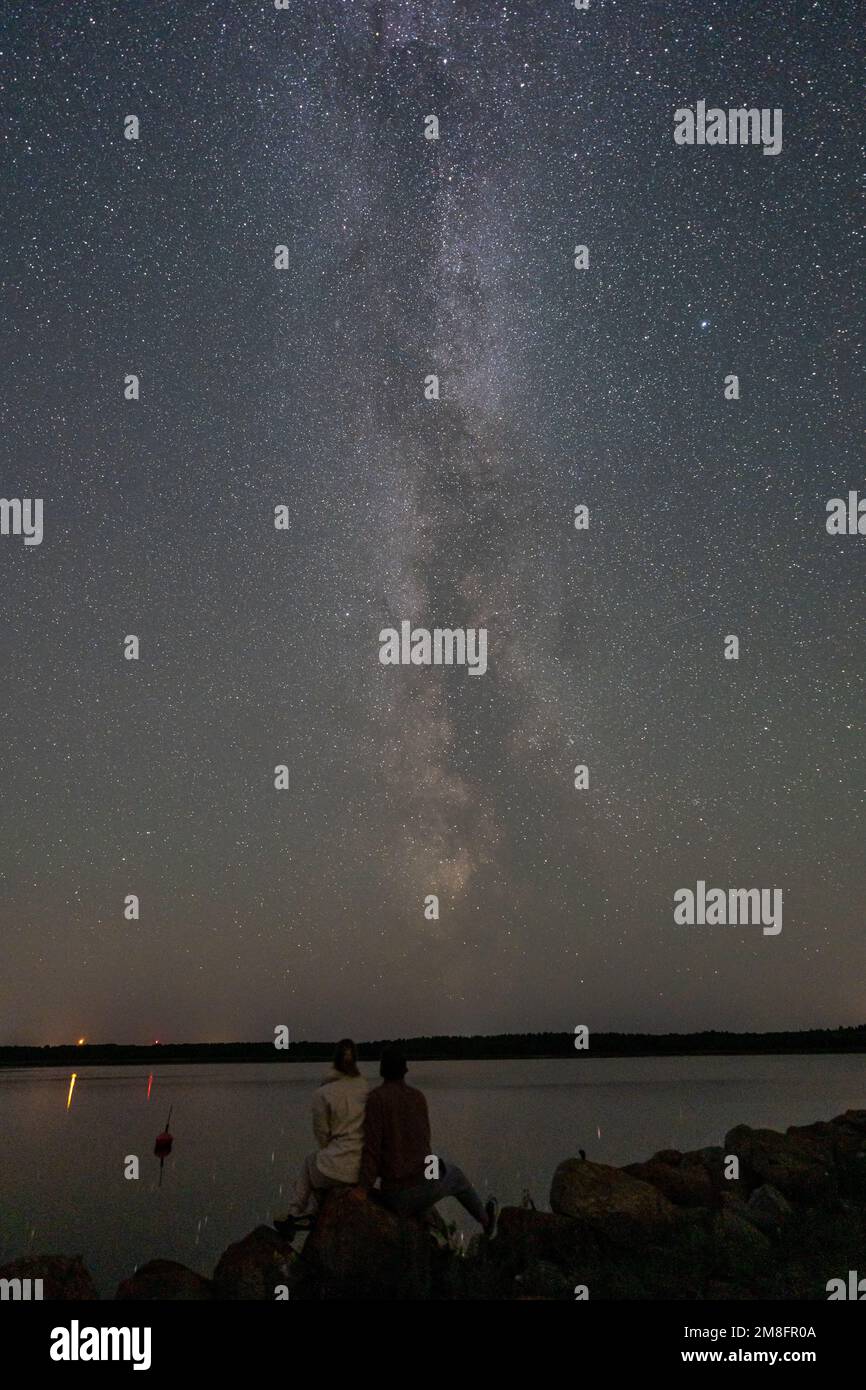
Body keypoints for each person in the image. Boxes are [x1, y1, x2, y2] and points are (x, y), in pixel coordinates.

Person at [354, 1045, 496, 1235]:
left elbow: (371, 1151)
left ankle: (435, 1216)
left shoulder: (376, 1099)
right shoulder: (417, 1097)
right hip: (416, 1188)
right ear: (405, 1070)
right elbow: (424, 1145)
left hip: (395, 1192)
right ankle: (486, 1221)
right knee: (454, 1174)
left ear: (382, 1071)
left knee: (442, 1168)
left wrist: (362, 1189)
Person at [275, 1038, 368, 1238]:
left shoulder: (322, 1093)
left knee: (312, 1161)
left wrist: (331, 1149)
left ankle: (296, 1212)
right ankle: (312, 1213)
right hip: (361, 1169)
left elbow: (322, 1135)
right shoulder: (364, 1089)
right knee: (321, 1165)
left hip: (337, 1167)